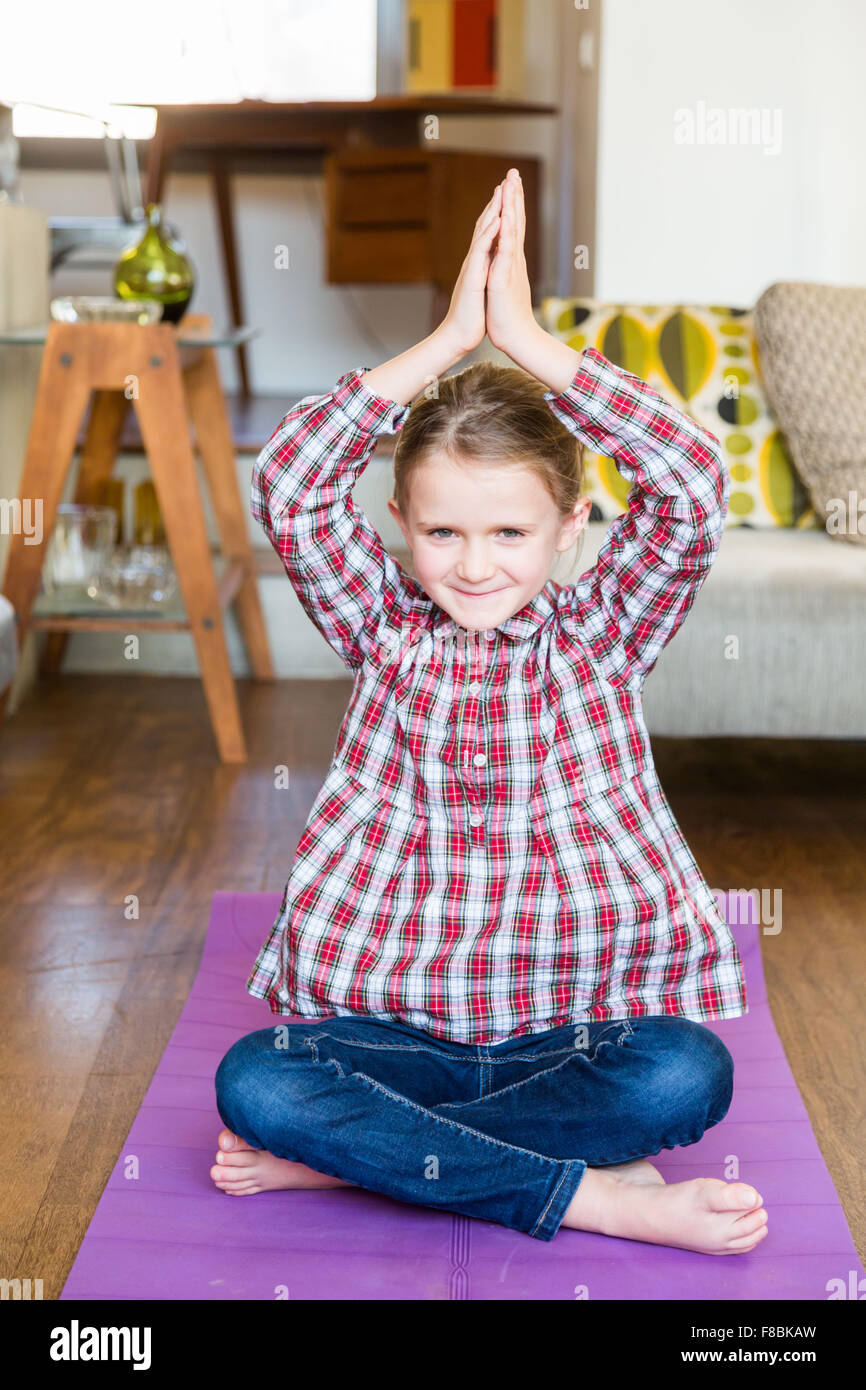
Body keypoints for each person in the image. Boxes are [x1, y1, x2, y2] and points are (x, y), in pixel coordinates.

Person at [212, 168, 768, 1255]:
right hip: (395, 1036)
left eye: (508, 534)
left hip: (572, 1040)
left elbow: (692, 482)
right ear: (400, 523)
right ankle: (597, 1195)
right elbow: (286, 482)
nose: (471, 567)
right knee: (258, 1083)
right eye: (442, 533)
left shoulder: (605, 631)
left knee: (686, 1074)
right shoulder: (381, 626)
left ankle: (363, 1158)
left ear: (568, 527)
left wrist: (523, 338)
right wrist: (446, 338)